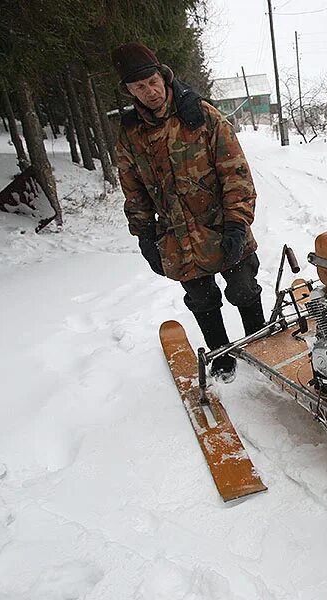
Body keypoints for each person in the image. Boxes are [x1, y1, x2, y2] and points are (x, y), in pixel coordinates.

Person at [111, 42, 265, 381]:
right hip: (175, 237)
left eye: (152, 82)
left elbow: (236, 173)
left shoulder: (202, 115)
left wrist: (237, 225)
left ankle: (260, 344)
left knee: (242, 287)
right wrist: (144, 235)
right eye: (139, 87)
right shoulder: (130, 132)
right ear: (129, 91)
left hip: (221, 226)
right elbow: (133, 188)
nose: (149, 92)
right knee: (202, 298)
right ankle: (222, 355)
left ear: (163, 77)